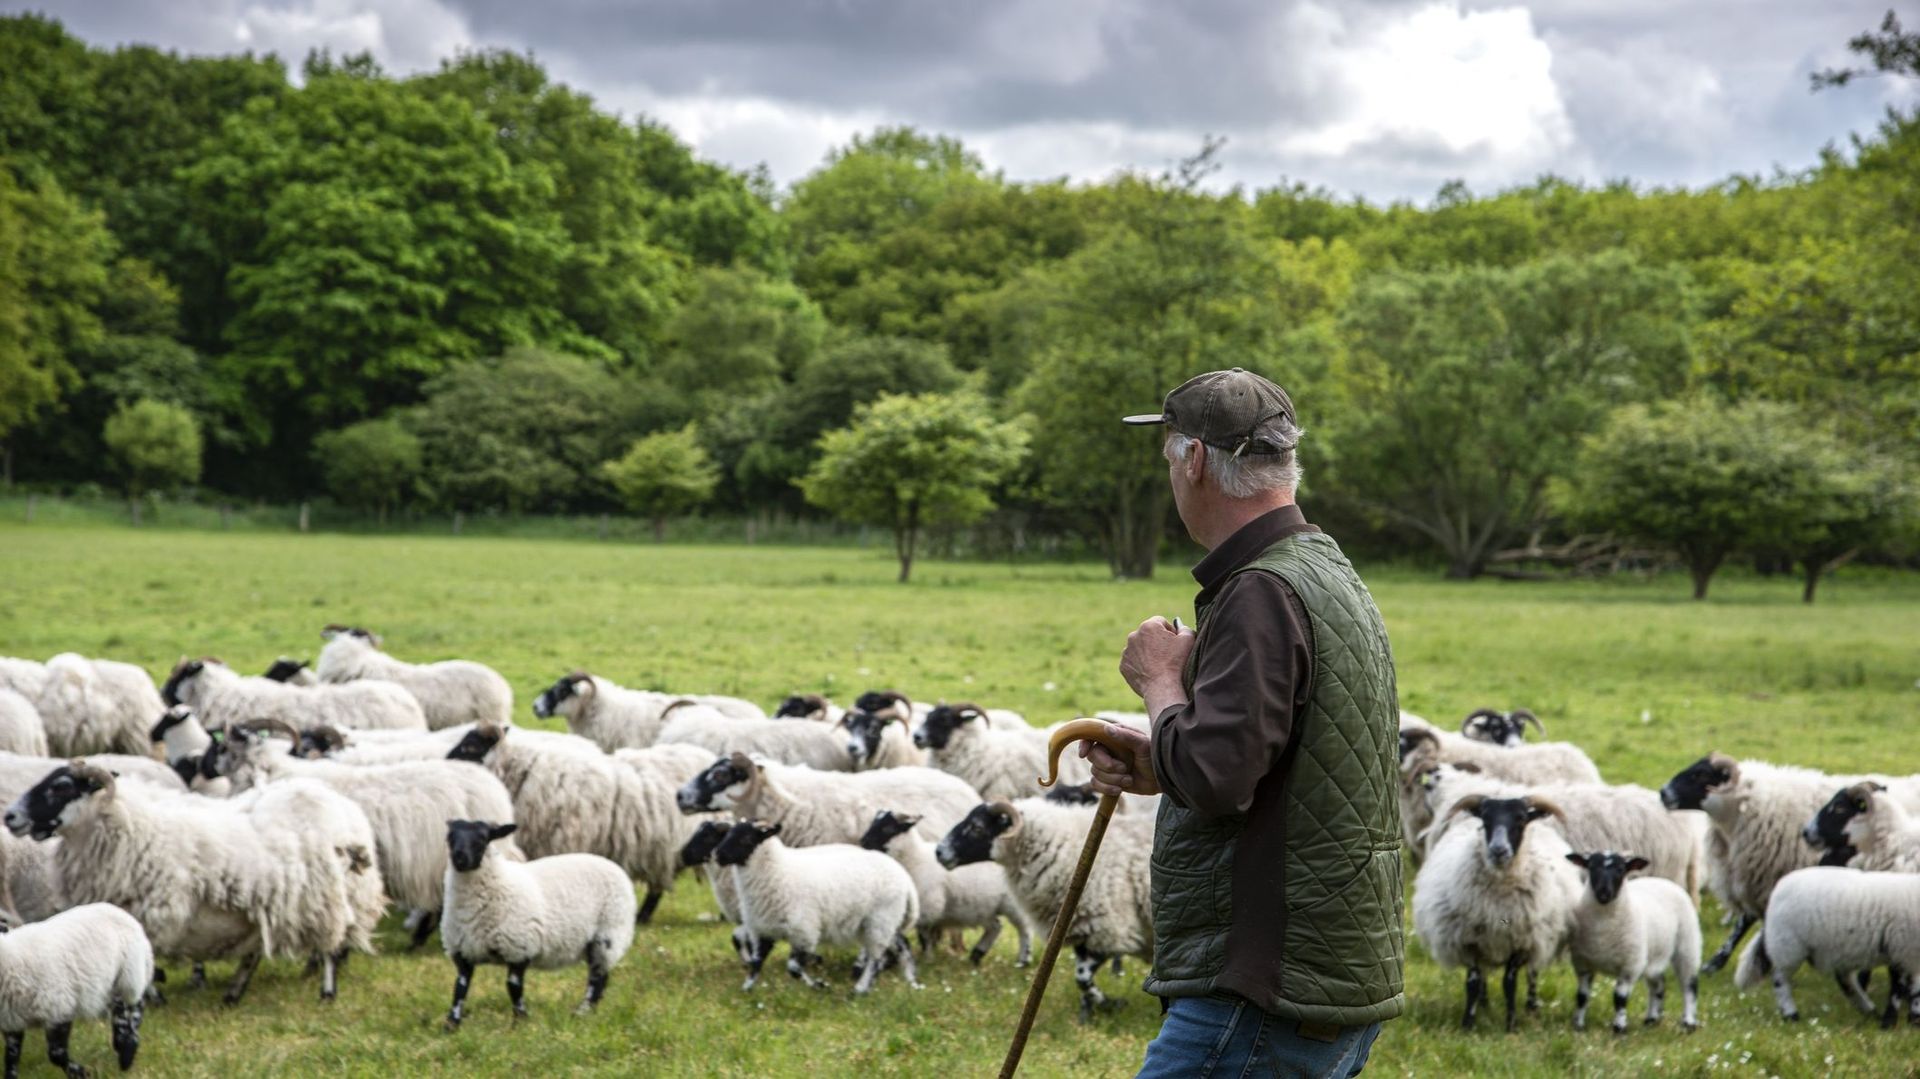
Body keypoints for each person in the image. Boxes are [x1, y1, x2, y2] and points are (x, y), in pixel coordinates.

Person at [1084, 368, 1404, 1078]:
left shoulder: (1261, 589)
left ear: (1194, 459)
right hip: (1320, 972)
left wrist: (1159, 680)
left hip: (1261, 984)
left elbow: (1218, 778)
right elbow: (1273, 758)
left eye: (1170, 453)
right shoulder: (1324, 569)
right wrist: (1160, 756)